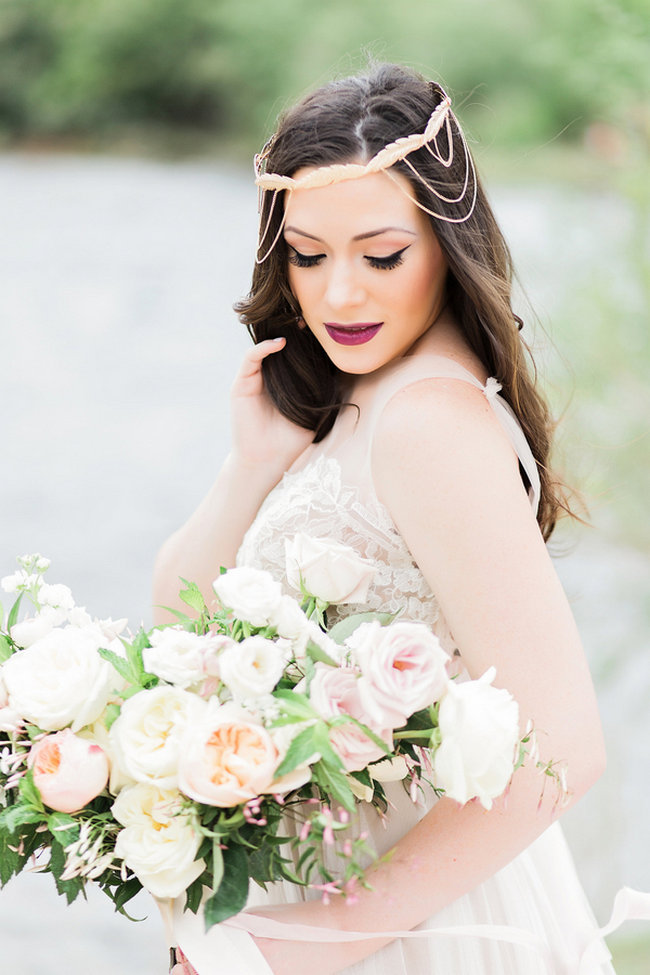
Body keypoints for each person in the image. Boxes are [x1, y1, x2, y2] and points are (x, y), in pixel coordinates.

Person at [153, 62, 617, 974]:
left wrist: (316, 939)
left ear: (448, 240)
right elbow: (177, 620)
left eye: (382, 255)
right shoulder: (359, 398)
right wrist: (254, 465)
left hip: (401, 927)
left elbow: (564, 745)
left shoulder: (429, 420)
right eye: (308, 256)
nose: (339, 295)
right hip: (324, 894)